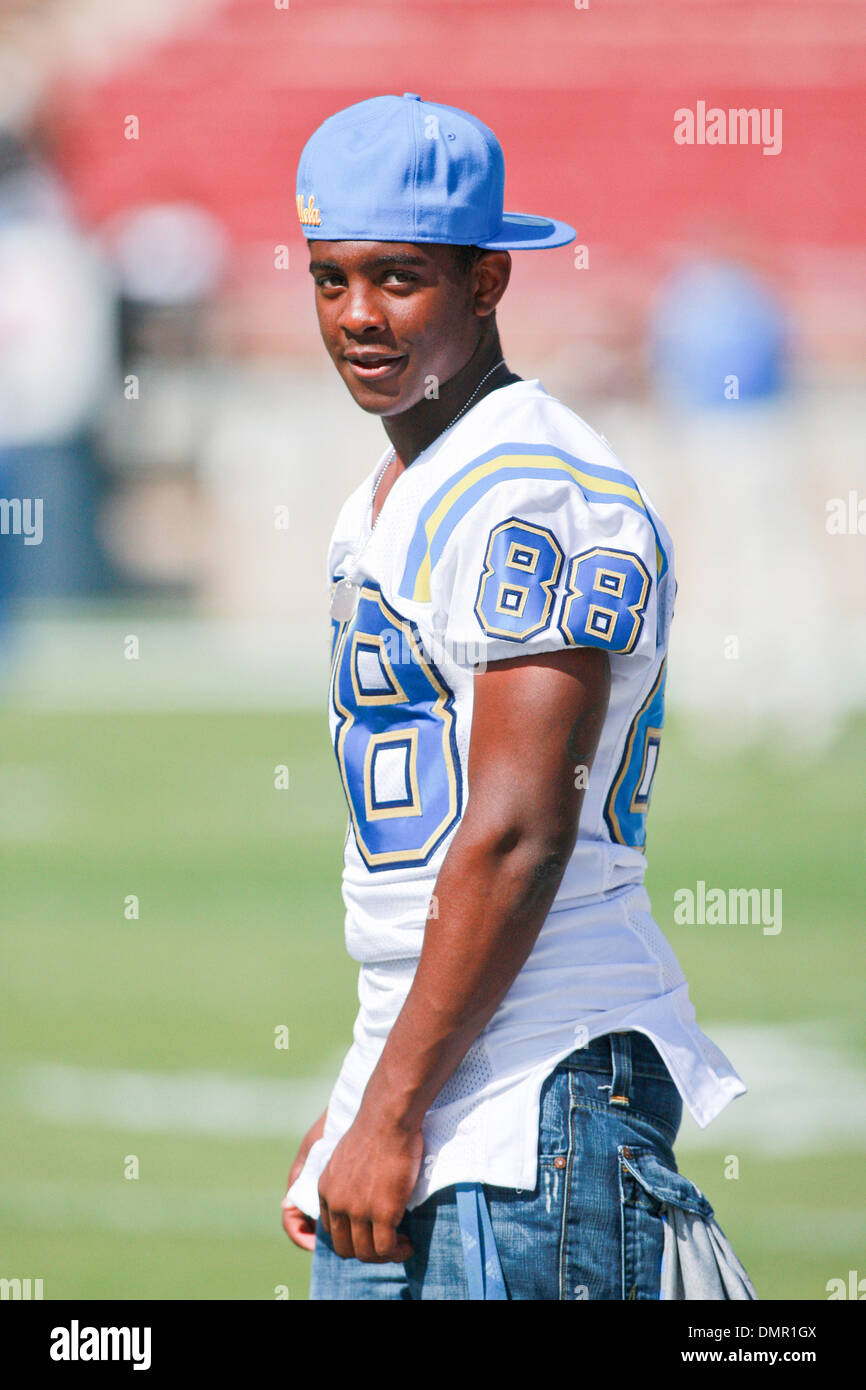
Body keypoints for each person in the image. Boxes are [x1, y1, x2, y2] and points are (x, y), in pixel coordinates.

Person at [281, 93, 746, 1301]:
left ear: (487, 281)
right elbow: (425, 852)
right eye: (330, 281)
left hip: (534, 1105)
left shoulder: (531, 486)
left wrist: (387, 1107)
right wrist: (359, 1093)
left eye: (397, 278)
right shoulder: (401, 485)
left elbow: (516, 830)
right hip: (445, 1081)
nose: (358, 317)